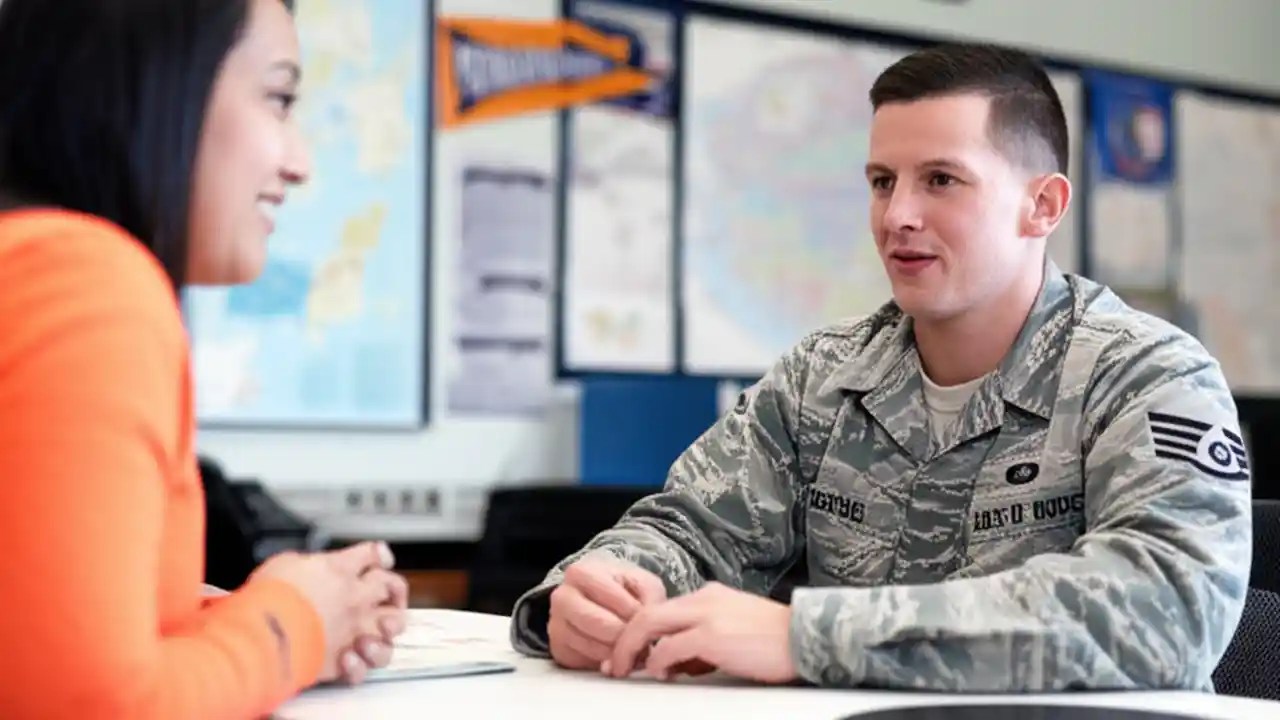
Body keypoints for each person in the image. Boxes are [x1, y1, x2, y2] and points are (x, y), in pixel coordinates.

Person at [509, 42, 1253, 692]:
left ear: (1043, 206)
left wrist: (805, 636)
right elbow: (690, 531)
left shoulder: (1148, 375)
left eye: (941, 180)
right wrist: (592, 595)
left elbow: (1170, 607)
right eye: (880, 181)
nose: (897, 215)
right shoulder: (821, 379)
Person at [0, 0, 408, 717]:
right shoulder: (84, 279)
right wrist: (294, 623)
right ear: (160, 81)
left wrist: (233, 622)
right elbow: (93, 706)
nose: (301, 162)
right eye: (278, 99)